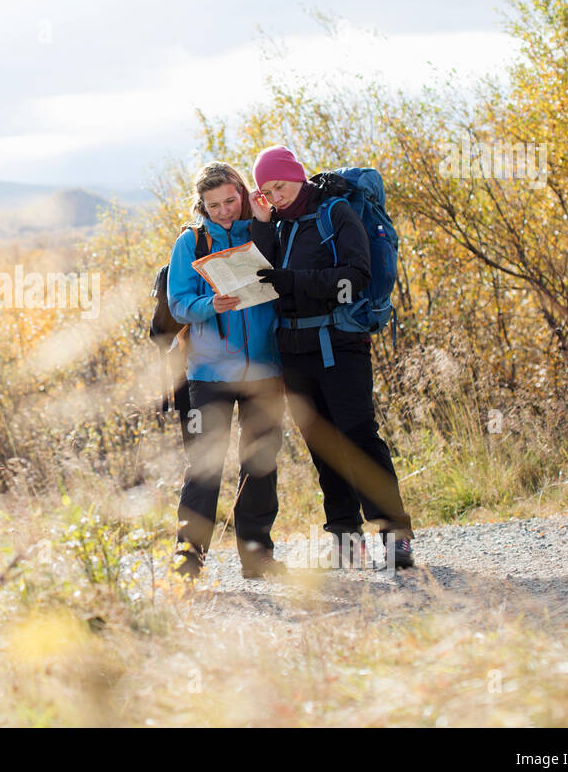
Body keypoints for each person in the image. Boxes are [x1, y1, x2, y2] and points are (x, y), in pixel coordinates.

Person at [249, 145, 415, 568]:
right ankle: (344, 540)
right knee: (322, 446)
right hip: (293, 350)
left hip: (339, 344)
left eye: (281, 186)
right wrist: (263, 226)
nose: (277, 195)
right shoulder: (279, 224)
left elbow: (355, 279)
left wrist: (295, 282)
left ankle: (396, 535)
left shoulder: (335, 212)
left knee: (357, 436)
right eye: (268, 191)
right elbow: (267, 277)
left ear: (299, 177)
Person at [166, 161, 286, 580]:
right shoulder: (190, 243)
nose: (224, 211)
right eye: (214, 204)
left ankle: (257, 557)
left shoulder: (265, 231)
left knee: (262, 462)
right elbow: (177, 302)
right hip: (209, 373)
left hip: (265, 370)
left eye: (231, 200)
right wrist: (208, 306)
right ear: (202, 204)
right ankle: (188, 559)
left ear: (243, 191)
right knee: (204, 466)